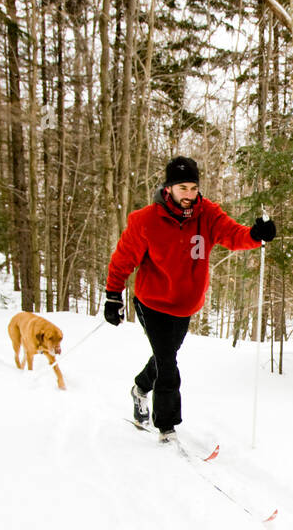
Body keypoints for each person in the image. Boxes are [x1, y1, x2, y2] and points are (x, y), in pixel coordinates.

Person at [104, 156, 276, 439]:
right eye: (182, 188)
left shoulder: (207, 214)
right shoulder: (145, 220)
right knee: (168, 365)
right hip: (153, 303)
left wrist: (257, 235)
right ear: (168, 188)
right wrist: (113, 295)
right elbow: (123, 259)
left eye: (193, 188)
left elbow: (234, 235)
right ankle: (166, 427)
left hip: (185, 306)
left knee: (164, 357)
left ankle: (139, 389)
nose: (189, 195)